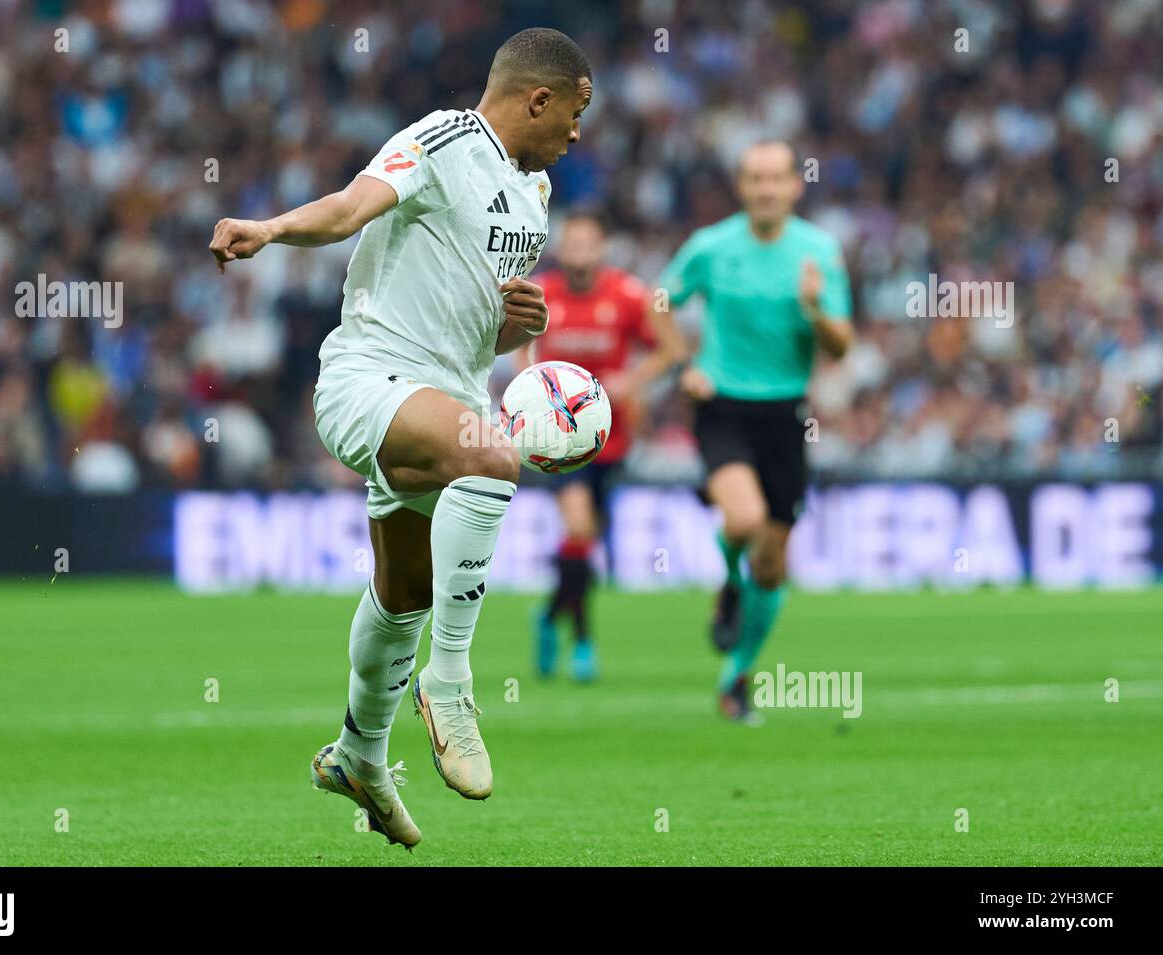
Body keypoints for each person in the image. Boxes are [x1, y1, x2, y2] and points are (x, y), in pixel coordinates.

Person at [209, 28, 592, 848]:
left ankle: (359, 754)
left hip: (441, 395)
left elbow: (465, 332)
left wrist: (515, 325)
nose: (578, 132)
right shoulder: (441, 139)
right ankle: (449, 684)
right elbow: (351, 208)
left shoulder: (537, 194)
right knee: (494, 451)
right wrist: (271, 229)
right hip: (367, 379)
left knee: (404, 592)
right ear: (539, 98)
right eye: (576, 110)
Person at [649, 140, 853, 723]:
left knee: (773, 562)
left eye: (776, 179)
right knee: (742, 519)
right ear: (742, 187)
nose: (766, 189)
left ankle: (736, 674)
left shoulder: (819, 252)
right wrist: (683, 362)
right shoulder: (712, 246)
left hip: (786, 413)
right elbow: (659, 298)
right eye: (755, 179)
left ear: (795, 185)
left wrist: (815, 310)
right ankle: (729, 581)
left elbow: (841, 347)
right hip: (722, 406)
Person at [518, 212, 673, 680]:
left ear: (603, 247)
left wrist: (634, 379)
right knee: (580, 528)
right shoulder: (540, 294)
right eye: (573, 242)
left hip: (612, 437)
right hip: (557, 438)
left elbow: (669, 349)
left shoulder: (628, 296)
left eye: (590, 242)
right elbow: (512, 349)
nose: (581, 251)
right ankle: (584, 643)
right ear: (562, 248)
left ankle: (548, 616)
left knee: (585, 545)